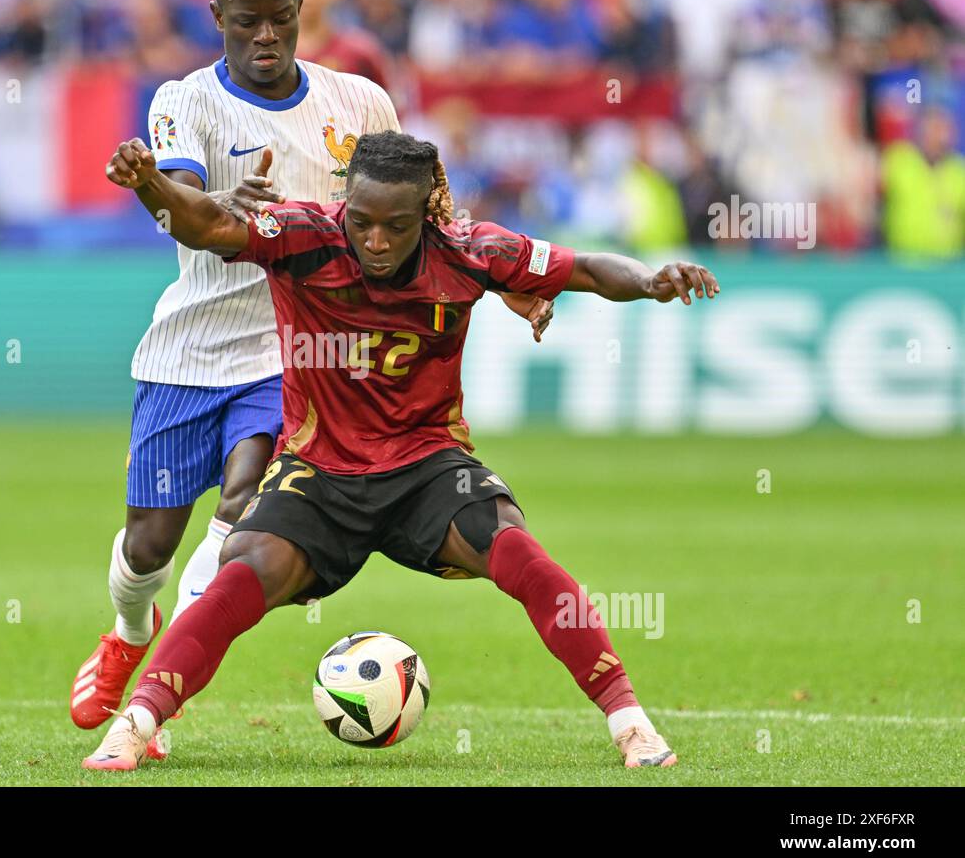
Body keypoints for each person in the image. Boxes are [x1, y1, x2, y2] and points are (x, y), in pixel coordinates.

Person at [89, 129, 720, 772]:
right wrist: (150, 182)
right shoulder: (303, 237)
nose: (377, 241)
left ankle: (631, 724)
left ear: (427, 213)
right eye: (362, 222)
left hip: (428, 468)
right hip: (318, 471)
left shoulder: (473, 251)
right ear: (346, 207)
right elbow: (208, 226)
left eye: (396, 226)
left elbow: (583, 268)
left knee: (521, 555)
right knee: (241, 571)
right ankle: (134, 725)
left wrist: (651, 278)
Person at [70, 0, 553, 753]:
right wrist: (212, 197)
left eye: (282, 19)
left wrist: (501, 280)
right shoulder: (183, 102)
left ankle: (153, 706)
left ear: (301, 14)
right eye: (249, 22)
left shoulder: (359, 100)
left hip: (300, 346)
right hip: (190, 348)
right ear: (218, 19)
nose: (267, 36)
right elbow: (182, 205)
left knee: (240, 505)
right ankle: (127, 632)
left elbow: (425, 211)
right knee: (149, 541)